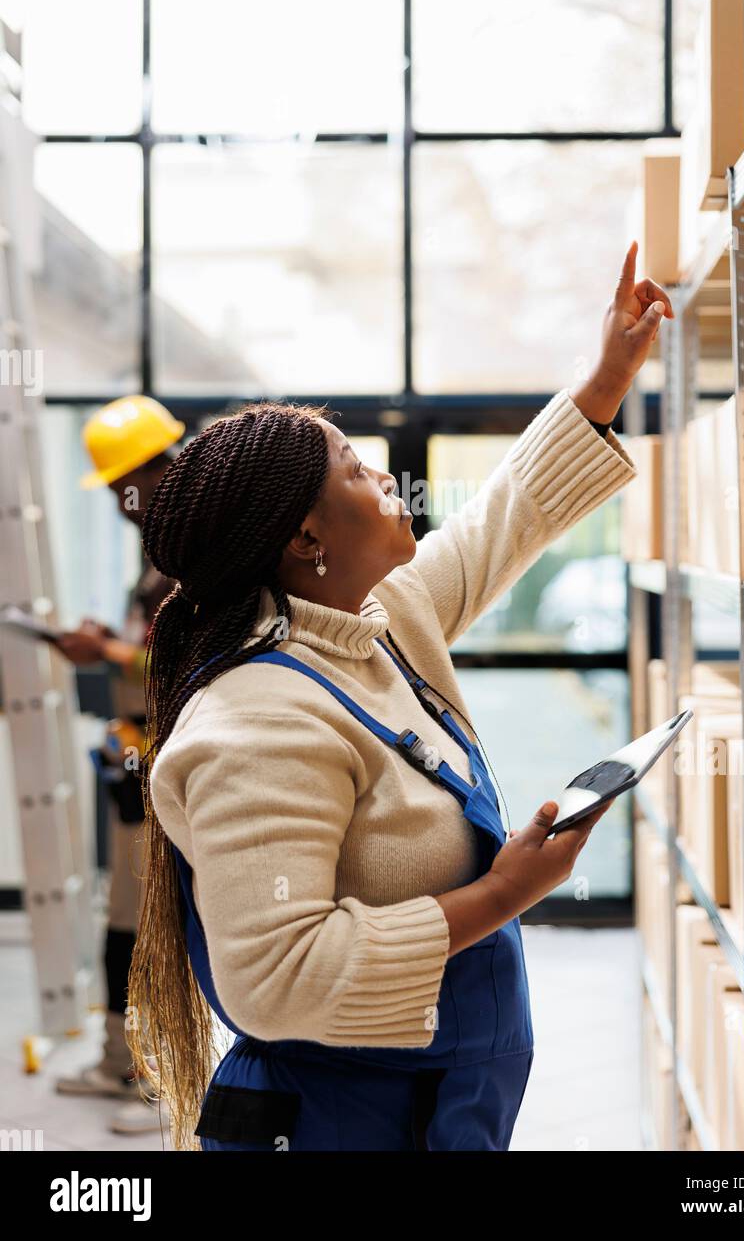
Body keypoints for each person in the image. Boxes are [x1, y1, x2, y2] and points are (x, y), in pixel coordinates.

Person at [128, 241, 674, 1151]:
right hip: (333, 1122)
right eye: (356, 469)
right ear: (306, 535)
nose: (388, 477)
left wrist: (610, 370)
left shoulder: (377, 622)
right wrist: (505, 892)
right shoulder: (253, 725)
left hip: (431, 1107)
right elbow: (276, 977)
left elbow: (511, 514)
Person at [52, 395, 184, 1135]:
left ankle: (160, 1078)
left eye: (116, 486)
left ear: (152, 471)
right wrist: (111, 642)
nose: (112, 501)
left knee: (157, 921)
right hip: (135, 751)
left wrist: (103, 651)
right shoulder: (158, 546)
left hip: (168, 759)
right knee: (123, 918)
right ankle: (119, 1059)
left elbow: (181, 657)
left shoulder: (194, 547)